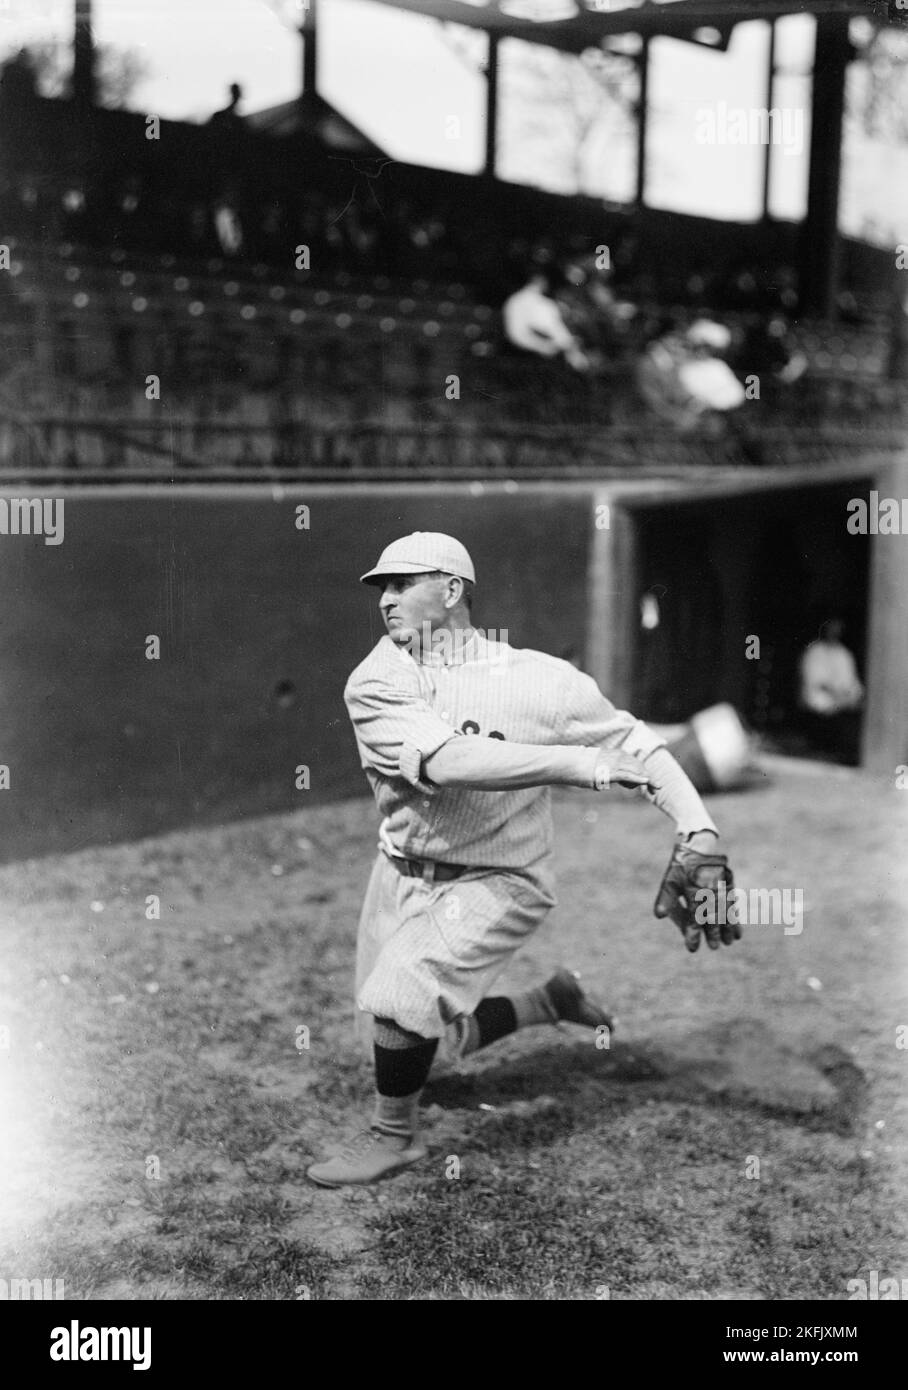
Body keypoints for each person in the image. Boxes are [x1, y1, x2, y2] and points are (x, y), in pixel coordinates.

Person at [307, 532, 737, 1188]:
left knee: (400, 995)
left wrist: (698, 830)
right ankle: (549, 1000)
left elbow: (639, 746)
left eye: (401, 584)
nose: (385, 601)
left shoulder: (541, 681)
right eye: (381, 589)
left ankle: (392, 1139)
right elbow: (450, 761)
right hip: (399, 873)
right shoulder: (379, 677)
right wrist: (579, 763)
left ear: (451, 590)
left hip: (501, 876)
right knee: (421, 1046)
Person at [797, 618, 864, 765]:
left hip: (843, 699)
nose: (835, 632)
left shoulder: (844, 653)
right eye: (832, 629)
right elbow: (816, 680)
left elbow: (852, 680)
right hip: (822, 698)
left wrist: (853, 696)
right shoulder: (814, 651)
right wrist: (838, 696)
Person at [502, 273, 589, 371]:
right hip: (535, 352)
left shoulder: (514, 300)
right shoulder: (542, 304)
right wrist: (545, 346)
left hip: (519, 347)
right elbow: (555, 330)